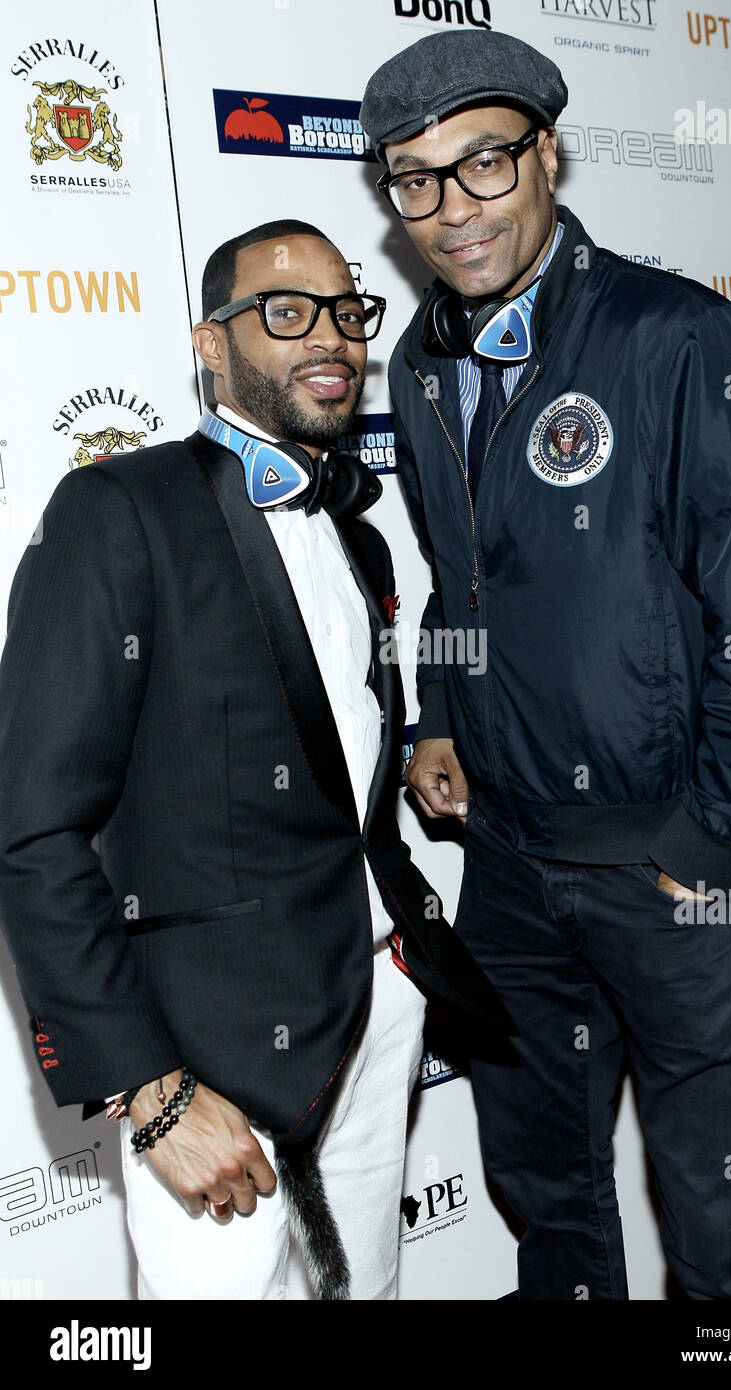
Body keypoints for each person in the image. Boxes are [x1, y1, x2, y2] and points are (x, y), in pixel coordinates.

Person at [360, 32, 731, 1300]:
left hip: (669, 872)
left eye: (481, 165)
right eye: (414, 180)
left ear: (545, 154)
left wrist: (717, 840)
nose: (451, 210)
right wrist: (434, 714)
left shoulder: (679, 340)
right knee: (548, 1205)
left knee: (718, 1232)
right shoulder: (417, 364)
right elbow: (453, 575)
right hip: (512, 868)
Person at [0, 218, 502, 1302]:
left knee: (366, 1288)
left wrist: (412, 751)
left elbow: (328, 749)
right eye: (284, 311)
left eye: (345, 310)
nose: (328, 337)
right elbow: (30, 824)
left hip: (377, 1004)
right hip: (212, 1051)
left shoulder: (357, 534)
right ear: (209, 343)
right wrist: (151, 1090)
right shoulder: (119, 511)